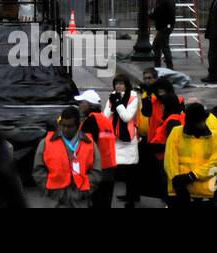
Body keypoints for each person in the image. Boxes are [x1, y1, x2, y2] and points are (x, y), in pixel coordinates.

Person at [32, 106, 101, 208]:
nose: (65, 129)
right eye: (63, 125)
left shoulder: (89, 143)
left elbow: (96, 170)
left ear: (78, 126)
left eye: (70, 126)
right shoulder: (47, 142)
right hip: (54, 199)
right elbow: (38, 169)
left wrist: (86, 190)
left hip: (80, 199)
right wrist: (48, 189)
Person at [163, 103, 217, 207]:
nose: (202, 124)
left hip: (206, 191)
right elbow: (170, 160)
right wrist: (178, 183)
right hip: (180, 191)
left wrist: (192, 176)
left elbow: (216, 161)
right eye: (199, 121)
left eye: (203, 120)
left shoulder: (215, 136)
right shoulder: (176, 133)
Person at [74, 90, 117, 209]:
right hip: (109, 168)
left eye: (82, 102)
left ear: (89, 104)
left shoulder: (90, 122)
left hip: (96, 170)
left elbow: (85, 149)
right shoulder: (104, 119)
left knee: (95, 202)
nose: (79, 105)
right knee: (105, 203)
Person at [103, 74, 140, 208]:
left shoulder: (133, 97)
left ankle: (131, 198)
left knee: (130, 171)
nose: (118, 86)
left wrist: (117, 103)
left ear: (126, 85)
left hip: (128, 139)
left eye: (121, 83)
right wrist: (113, 106)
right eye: (116, 83)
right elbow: (105, 117)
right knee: (115, 170)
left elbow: (126, 117)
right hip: (114, 138)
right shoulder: (112, 96)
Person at [151, 0, 176, 69]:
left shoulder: (163, 1)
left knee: (162, 46)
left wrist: (150, 15)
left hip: (163, 27)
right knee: (159, 45)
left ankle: (166, 66)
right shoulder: (169, 0)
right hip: (167, 26)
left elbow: (157, 14)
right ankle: (163, 66)